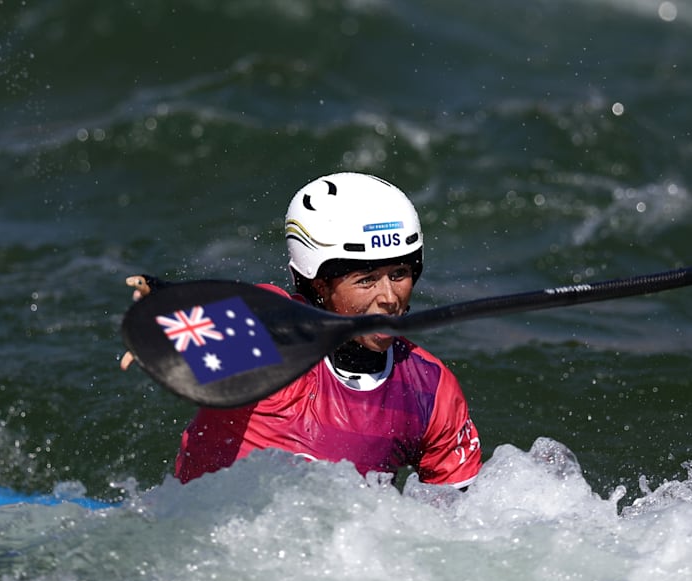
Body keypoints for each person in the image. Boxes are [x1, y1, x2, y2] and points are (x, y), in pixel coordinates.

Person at [124, 172, 482, 488]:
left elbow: (457, 529)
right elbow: (192, 329)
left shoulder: (431, 390)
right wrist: (159, 322)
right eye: (366, 280)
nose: (388, 297)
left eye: (399, 274)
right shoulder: (270, 334)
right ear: (317, 286)